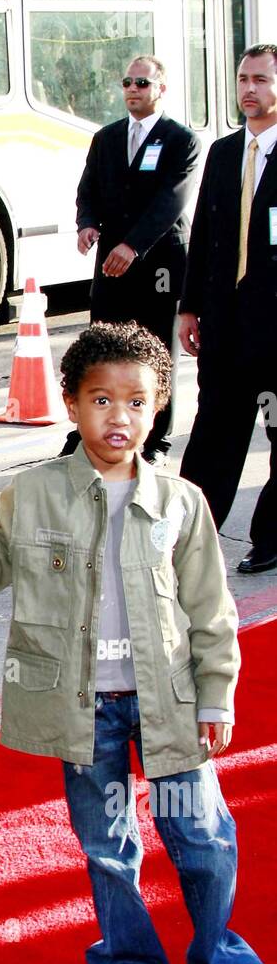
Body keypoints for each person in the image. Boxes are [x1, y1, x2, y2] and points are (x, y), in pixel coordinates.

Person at [0, 322, 270, 964]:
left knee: (202, 838)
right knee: (108, 847)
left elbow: (211, 611)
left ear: (159, 407)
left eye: (138, 402)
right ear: (73, 406)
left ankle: (221, 957)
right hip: (84, 709)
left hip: (168, 700)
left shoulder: (183, 503)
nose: (121, 417)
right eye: (102, 401)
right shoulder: (34, 495)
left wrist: (217, 694)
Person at [62, 56, 200, 462]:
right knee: (101, 344)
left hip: (157, 262)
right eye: (127, 82)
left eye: (142, 82)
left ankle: (155, 439)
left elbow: (169, 201)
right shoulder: (106, 138)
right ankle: (91, 433)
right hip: (111, 264)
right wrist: (86, 224)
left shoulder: (181, 140)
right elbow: (87, 190)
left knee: (155, 351)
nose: (132, 89)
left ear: (161, 88)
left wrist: (134, 246)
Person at [179, 43, 277, 575]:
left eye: (261, 79)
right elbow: (204, 239)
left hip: (276, 328)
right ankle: (191, 538)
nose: (249, 90)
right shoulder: (222, 152)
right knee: (215, 432)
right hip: (225, 324)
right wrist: (190, 307)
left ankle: (270, 536)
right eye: (243, 78)